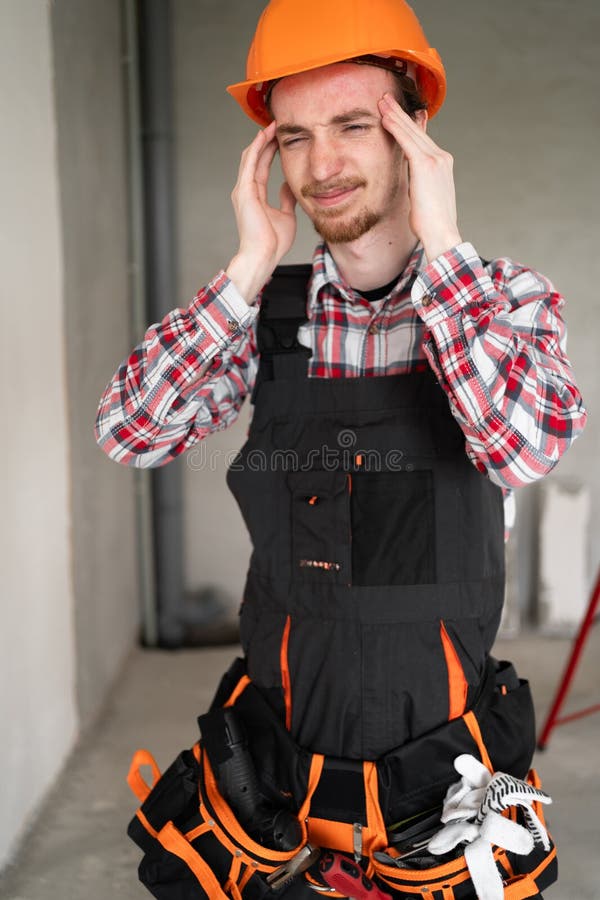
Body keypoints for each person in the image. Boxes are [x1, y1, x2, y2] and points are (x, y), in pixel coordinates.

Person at [98, 1, 586, 897]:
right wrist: (248, 266)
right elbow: (131, 431)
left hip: (442, 791)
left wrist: (444, 248)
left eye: (353, 125)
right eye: (295, 136)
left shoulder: (501, 300)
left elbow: (526, 449)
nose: (321, 165)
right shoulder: (264, 316)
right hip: (275, 785)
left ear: (415, 133)